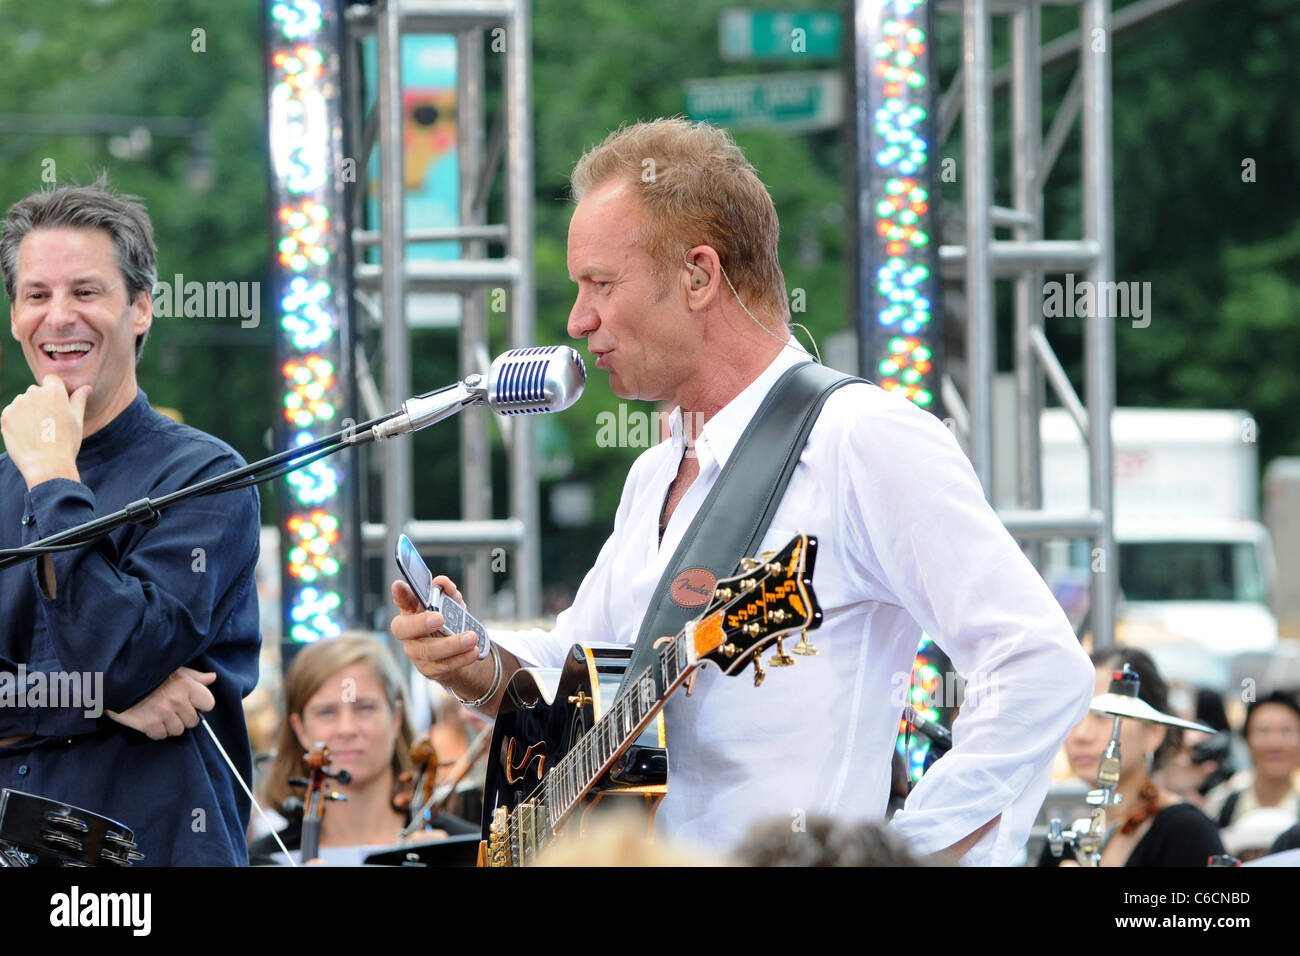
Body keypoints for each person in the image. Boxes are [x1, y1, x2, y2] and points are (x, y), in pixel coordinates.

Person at [389, 118, 1094, 865]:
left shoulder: (861, 438)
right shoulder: (653, 472)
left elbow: (1037, 666)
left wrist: (902, 855)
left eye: (601, 283)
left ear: (699, 274)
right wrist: (478, 667)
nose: (578, 320)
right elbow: (580, 674)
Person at [0, 180, 261, 865]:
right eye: (36, 295)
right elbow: (112, 680)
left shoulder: (206, 477)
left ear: (141, 308)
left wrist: (55, 474)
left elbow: (117, 655)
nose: (58, 317)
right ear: (14, 315)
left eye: (86, 292)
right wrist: (97, 703)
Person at [249, 632, 473, 865]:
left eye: (365, 708)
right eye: (326, 712)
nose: (347, 729)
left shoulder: (470, 848)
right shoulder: (262, 858)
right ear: (300, 729)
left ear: (395, 718)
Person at [1040, 647, 1225, 867]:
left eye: (1103, 716)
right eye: (1076, 714)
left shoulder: (1186, 832)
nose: (1081, 735)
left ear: (1154, 732)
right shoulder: (1067, 840)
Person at [1204, 691, 1300, 828]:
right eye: (1263, 731)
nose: (1275, 743)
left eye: (1286, 731)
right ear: (1247, 740)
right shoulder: (1218, 805)